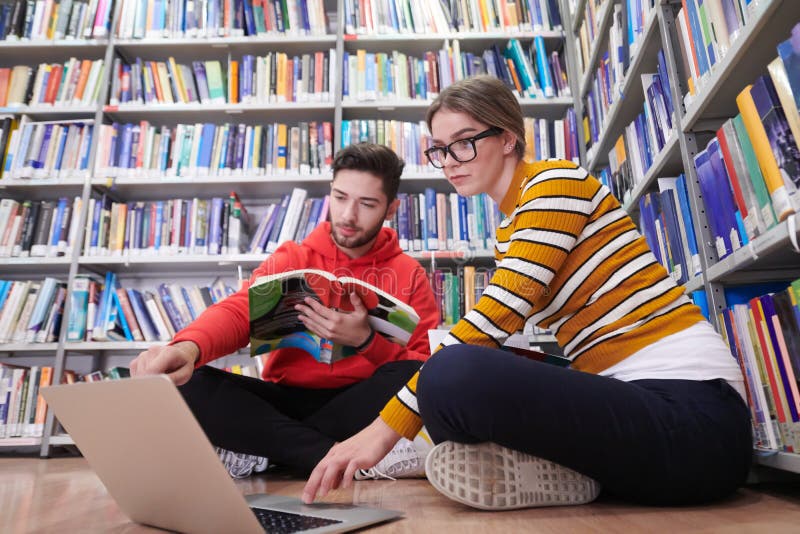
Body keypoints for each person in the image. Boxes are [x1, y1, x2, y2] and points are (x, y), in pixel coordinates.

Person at [302, 76, 752, 509]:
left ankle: (553, 467)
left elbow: (499, 315)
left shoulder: (554, 184)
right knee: (445, 387)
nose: (452, 159)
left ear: (508, 138)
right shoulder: (510, 228)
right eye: (440, 149)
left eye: (464, 141)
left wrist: (382, 432)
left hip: (696, 420)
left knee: (449, 373)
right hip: (633, 412)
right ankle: (570, 474)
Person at [130, 143, 440, 478]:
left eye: (367, 204)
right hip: (286, 397)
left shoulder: (409, 273)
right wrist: (188, 348)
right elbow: (238, 311)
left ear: (391, 208)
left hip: (360, 403)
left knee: (418, 379)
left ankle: (276, 452)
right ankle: (336, 458)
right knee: (189, 382)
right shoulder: (292, 256)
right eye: (339, 197)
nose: (348, 215)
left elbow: (423, 366)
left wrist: (366, 340)